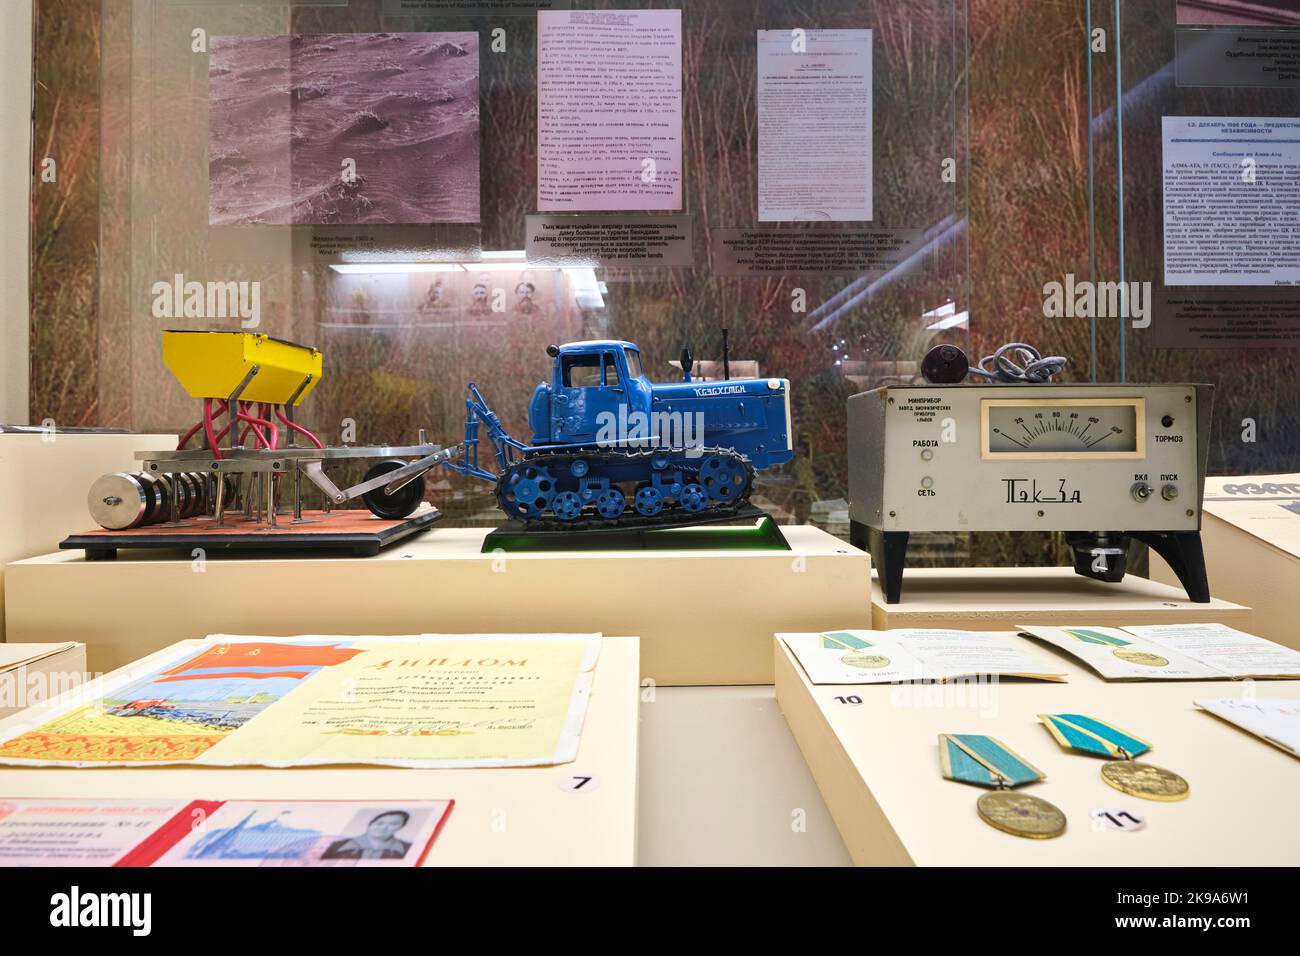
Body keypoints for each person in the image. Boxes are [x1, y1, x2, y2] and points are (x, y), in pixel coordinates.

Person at [322, 810, 413, 860]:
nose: (383, 828)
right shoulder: (336, 846)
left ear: (401, 827)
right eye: (379, 823)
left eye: (393, 824)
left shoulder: (408, 848)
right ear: (370, 824)